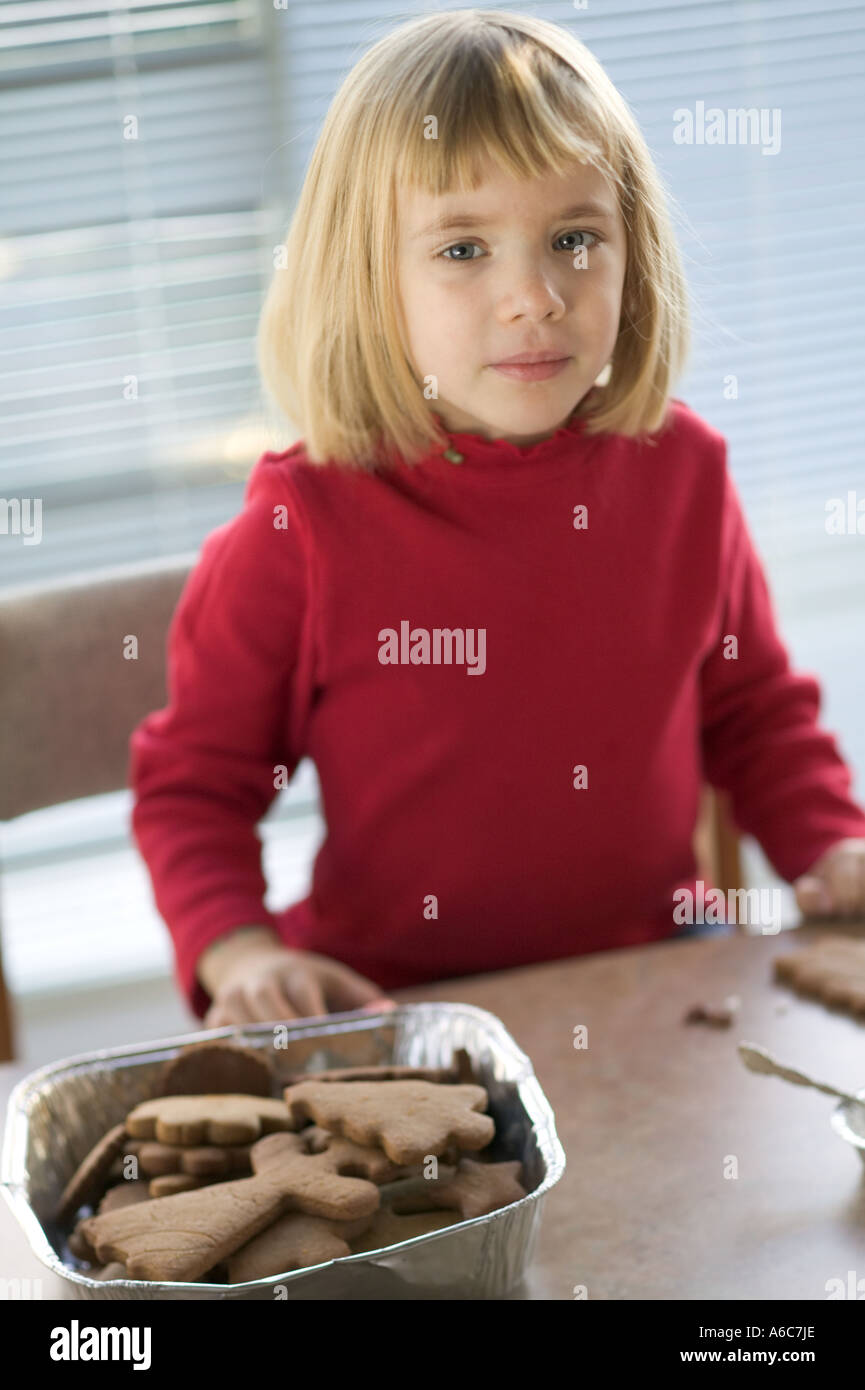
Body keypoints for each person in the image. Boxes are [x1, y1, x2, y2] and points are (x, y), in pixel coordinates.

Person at [129, 10, 865, 1028]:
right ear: (367, 281)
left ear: (631, 253)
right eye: (463, 247)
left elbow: (752, 714)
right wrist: (239, 949)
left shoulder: (684, 474)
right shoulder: (299, 528)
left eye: (574, 238)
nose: (534, 296)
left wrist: (830, 845)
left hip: (655, 973)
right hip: (393, 1003)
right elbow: (196, 788)